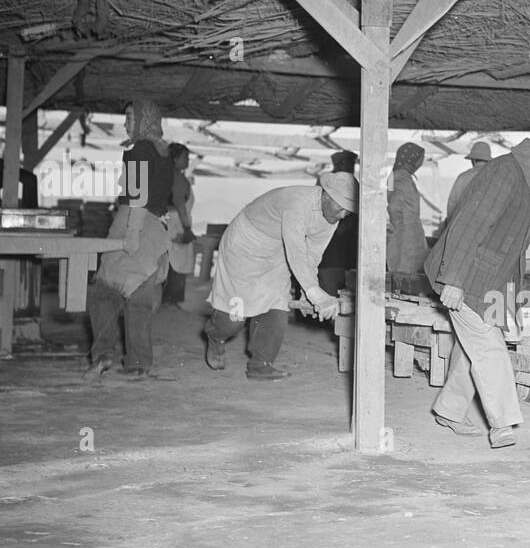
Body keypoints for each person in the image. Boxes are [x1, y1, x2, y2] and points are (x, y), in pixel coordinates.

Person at [424, 113, 530, 448]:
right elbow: (469, 224)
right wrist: (452, 280)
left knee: (473, 350)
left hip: (495, 278)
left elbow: (527, 227)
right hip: (465, 275)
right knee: (489, 347)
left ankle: (450, 411)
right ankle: (502, 423)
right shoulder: (504, 172)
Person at [205, 170, 357, 381]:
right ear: (325, 195)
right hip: (245, 247)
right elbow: (296, 251)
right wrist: (317, 294)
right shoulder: (297, 203)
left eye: (348, 212)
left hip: (277, 252)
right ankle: (215, 336)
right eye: (340, 207)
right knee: (233, 319)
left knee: (277, 307)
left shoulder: (331, 217)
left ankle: (260, 364)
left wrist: (308, 289)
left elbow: (312, 254)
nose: (342, 215)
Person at [84, 99, 185, 379]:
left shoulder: (140, 149)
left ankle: (103, 356)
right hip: (154, 229)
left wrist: (130, 235)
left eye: (130, 117)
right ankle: (139, 364)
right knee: (138, 298)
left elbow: (138, 194)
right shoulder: (163, 152)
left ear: (143, 120)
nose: (125, 123)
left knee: (103, 293)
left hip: (134, 224)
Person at [317, 150, 358, 297]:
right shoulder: (326, 186)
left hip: (349, 255)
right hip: (330, 254)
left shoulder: (354, 185)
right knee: (330, 296)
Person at [161, 143, 197, 307]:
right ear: (175, 159)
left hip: (167, 223)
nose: (188, 161)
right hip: (177, 225)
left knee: (168, 263)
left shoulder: (166, 175)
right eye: (185, 157)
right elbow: (180, 205)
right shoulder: (177, 178)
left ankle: (166, 303)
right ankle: (171, 304)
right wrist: (187, 229)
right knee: (176, 264)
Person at [386, 142, 428, 279]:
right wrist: (399, 225)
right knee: (405, 278)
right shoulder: (402, 177)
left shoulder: (397, 176)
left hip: (405, 236)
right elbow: (394, 206)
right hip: (405, 239)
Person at [444, 140, 493, 219]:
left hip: (463, 225)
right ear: (488, 160)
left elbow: (452, 205)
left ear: (473, 160)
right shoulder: (494, 177)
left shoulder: (462, 178)